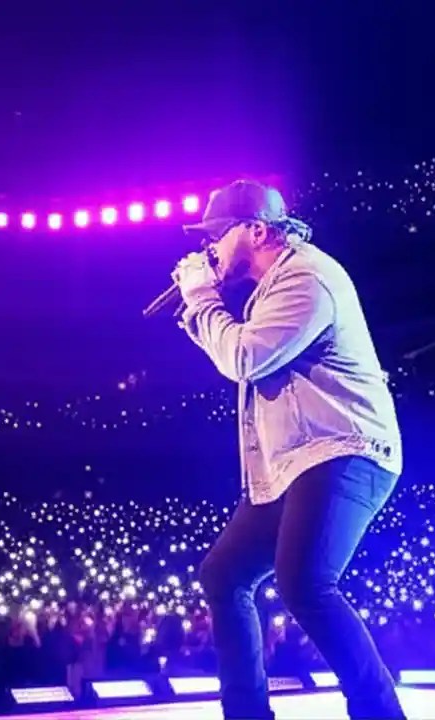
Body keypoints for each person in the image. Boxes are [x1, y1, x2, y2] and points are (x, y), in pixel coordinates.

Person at [171, 179, 404, 720]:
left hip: (344, 449)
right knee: (223, 576)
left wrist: (201, 298)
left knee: (305, 582)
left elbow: (245, 359)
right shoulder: (272, 288)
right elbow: (236, 352)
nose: (210, 248)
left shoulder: (307, 277)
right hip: (293, 464)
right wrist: (200, 308)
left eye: (217, 235)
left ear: (256, 230)